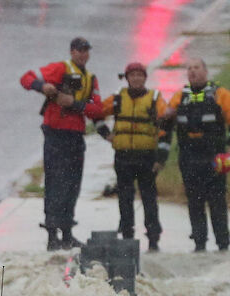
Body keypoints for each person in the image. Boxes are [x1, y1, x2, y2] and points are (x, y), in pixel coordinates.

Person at [20, 37, 102, 250]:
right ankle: (52, 235)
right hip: (55, 135)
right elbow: (26, 78)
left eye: (86, 51)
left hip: (76, 136)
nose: (83, 54)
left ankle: (67, 233)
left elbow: (97, 110)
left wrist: (75, 104)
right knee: (55, 183)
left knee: (72, 185)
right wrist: (43, 86)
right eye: (79, 50)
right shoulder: (59, 68)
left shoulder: (91, 79)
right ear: (72, 52)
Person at [167, 58, 230, 252]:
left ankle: (223, 244)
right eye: (189, 68)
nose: (192, 71)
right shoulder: (179, 97)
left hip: (214, 156)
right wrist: (163, 116)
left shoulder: (220, 94)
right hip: (188, 156)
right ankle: (199, 244)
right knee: (194, 201)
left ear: (206, 72)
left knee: (217, 201)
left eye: (196, 68)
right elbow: (165, 120)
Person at [98, 60, 167, 252]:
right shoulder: (117, 99)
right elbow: (96, 112)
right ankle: (127, 237)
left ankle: (153, 239)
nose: (136, 78)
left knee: (149, 199)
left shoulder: (155, 100)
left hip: (146, 157)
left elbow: (166, 125)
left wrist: (161, 158)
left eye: (140, 75)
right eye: (132, 75)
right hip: (123, 157)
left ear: (145, 78)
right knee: (125, 198)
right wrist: (105, 133)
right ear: (127, 78)